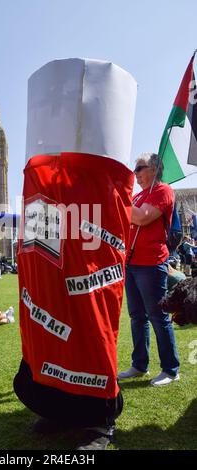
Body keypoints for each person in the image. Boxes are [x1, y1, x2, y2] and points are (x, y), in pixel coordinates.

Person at [118, 153, 180, 386]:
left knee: (157, 316)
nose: (136, 174)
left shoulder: (163, 190)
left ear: (154, 168)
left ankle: (171, 369)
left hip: (152, 264)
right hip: (132, 262)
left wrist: (117, 198)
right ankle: (139, 365)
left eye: (140, 168)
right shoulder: (138, 195)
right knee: (137, 317)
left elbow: (142, 218)